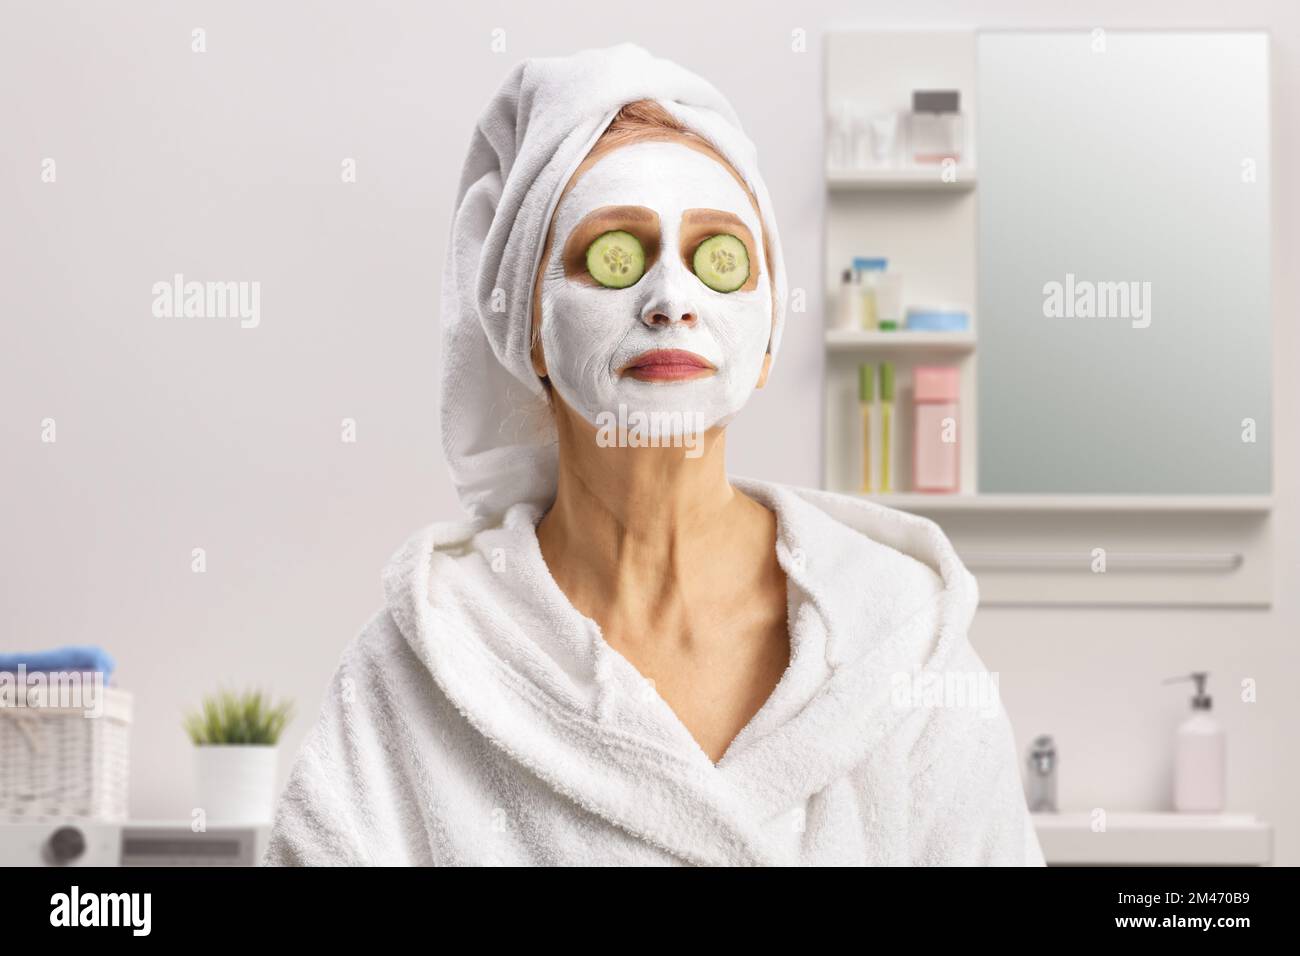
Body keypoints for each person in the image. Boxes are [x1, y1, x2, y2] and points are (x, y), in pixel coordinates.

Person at [264, 42, 1045, 867]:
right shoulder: (422, 669)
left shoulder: (898, 644)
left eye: (719, 258)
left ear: (768, 332)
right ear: (527, 327)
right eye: (616, 255)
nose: (672, 300)